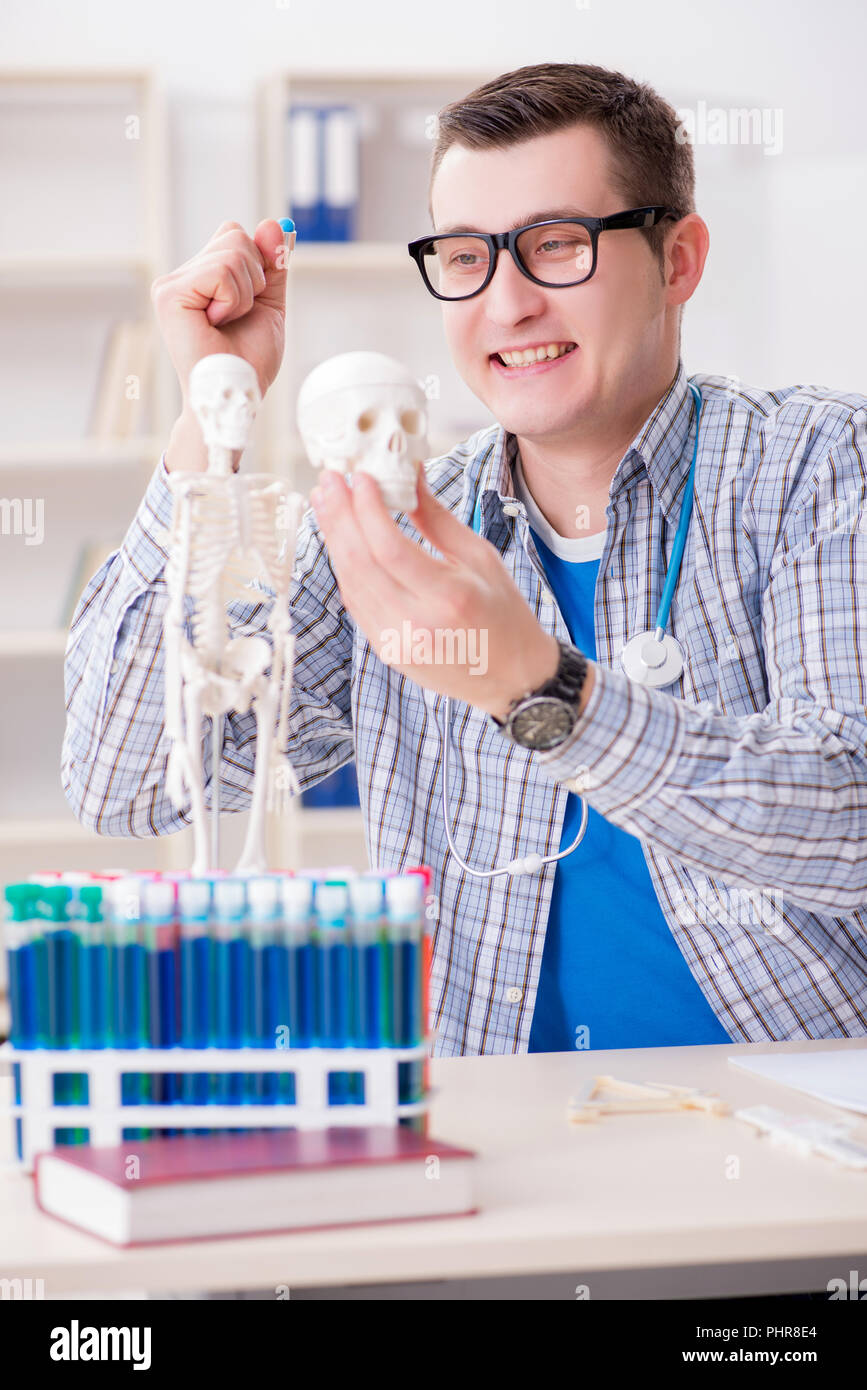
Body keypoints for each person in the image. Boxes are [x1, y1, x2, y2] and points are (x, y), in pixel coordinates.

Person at [63, 62, 867, 1058]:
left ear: (679, 260)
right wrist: (214, 407)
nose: (507, 304)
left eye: (557, 245)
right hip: (501, 1145)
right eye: (464, 256)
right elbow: (125, 782)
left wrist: (543, 690)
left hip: (794, 1130)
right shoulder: (395, 517)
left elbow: (853, 816)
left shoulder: (821, 470)